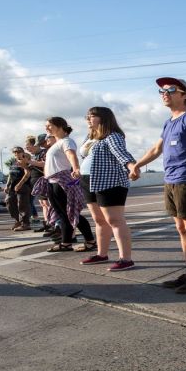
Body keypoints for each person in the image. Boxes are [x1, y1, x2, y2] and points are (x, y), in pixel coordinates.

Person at [131, 77, 186, 293]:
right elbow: (156, 149)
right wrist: (137, 165)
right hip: (171, 181)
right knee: (181, 228)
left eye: (171, 90)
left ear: (185, 95)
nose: (165, 93)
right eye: (161, 91)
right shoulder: (169, 121)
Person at [80, 107, 139, 270]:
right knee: (99, 220)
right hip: (87, 180)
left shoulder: (113, 136)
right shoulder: (90, 137)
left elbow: (121, 153)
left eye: (91, 116)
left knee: (115, 220)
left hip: (109, 180)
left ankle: (126, 259)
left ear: (104, 118)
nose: (88, 119)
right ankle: (102, 254)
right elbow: (87, 157)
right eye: (87, 116)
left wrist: (132, 166)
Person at [43, 116, 96, 252]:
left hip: (61, 182)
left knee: (72, 213)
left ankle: (90, 241)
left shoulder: (67, 141)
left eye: (49, 125)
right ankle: (66, 243)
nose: (46, 127)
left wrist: (76, 168)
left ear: (60, 126)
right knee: (63, 215)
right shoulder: (56, 143)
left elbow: (71, 155)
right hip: (51, 181)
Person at [5, 146, 32, 231]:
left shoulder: (25, 160)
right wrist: (7, 185)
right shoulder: (13, 162)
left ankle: (25, 223)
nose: (16, 154)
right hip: (12, 186)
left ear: (22, 152)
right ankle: (17, 221)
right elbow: (10, 174)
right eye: (15, 152)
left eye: (18, 152)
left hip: (23, 186)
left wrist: (20, 184)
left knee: (22, 205)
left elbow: (27, 173)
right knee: (9, 201)